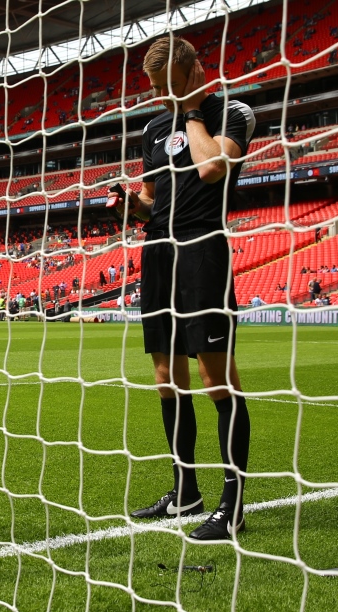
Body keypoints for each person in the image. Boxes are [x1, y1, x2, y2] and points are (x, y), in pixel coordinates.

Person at [107, 34, 255, 540]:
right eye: (153, 88)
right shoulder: (152, 127)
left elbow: (213, 167)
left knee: (218, 379)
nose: (159, 97)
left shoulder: (232, 113)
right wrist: (131, 205)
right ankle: (185, 490)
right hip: (158, 253)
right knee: (167, 376)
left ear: (193, 72)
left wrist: (191, 111)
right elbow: (150, 199)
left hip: (203, 252)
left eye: (167, 86)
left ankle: (231, 506)